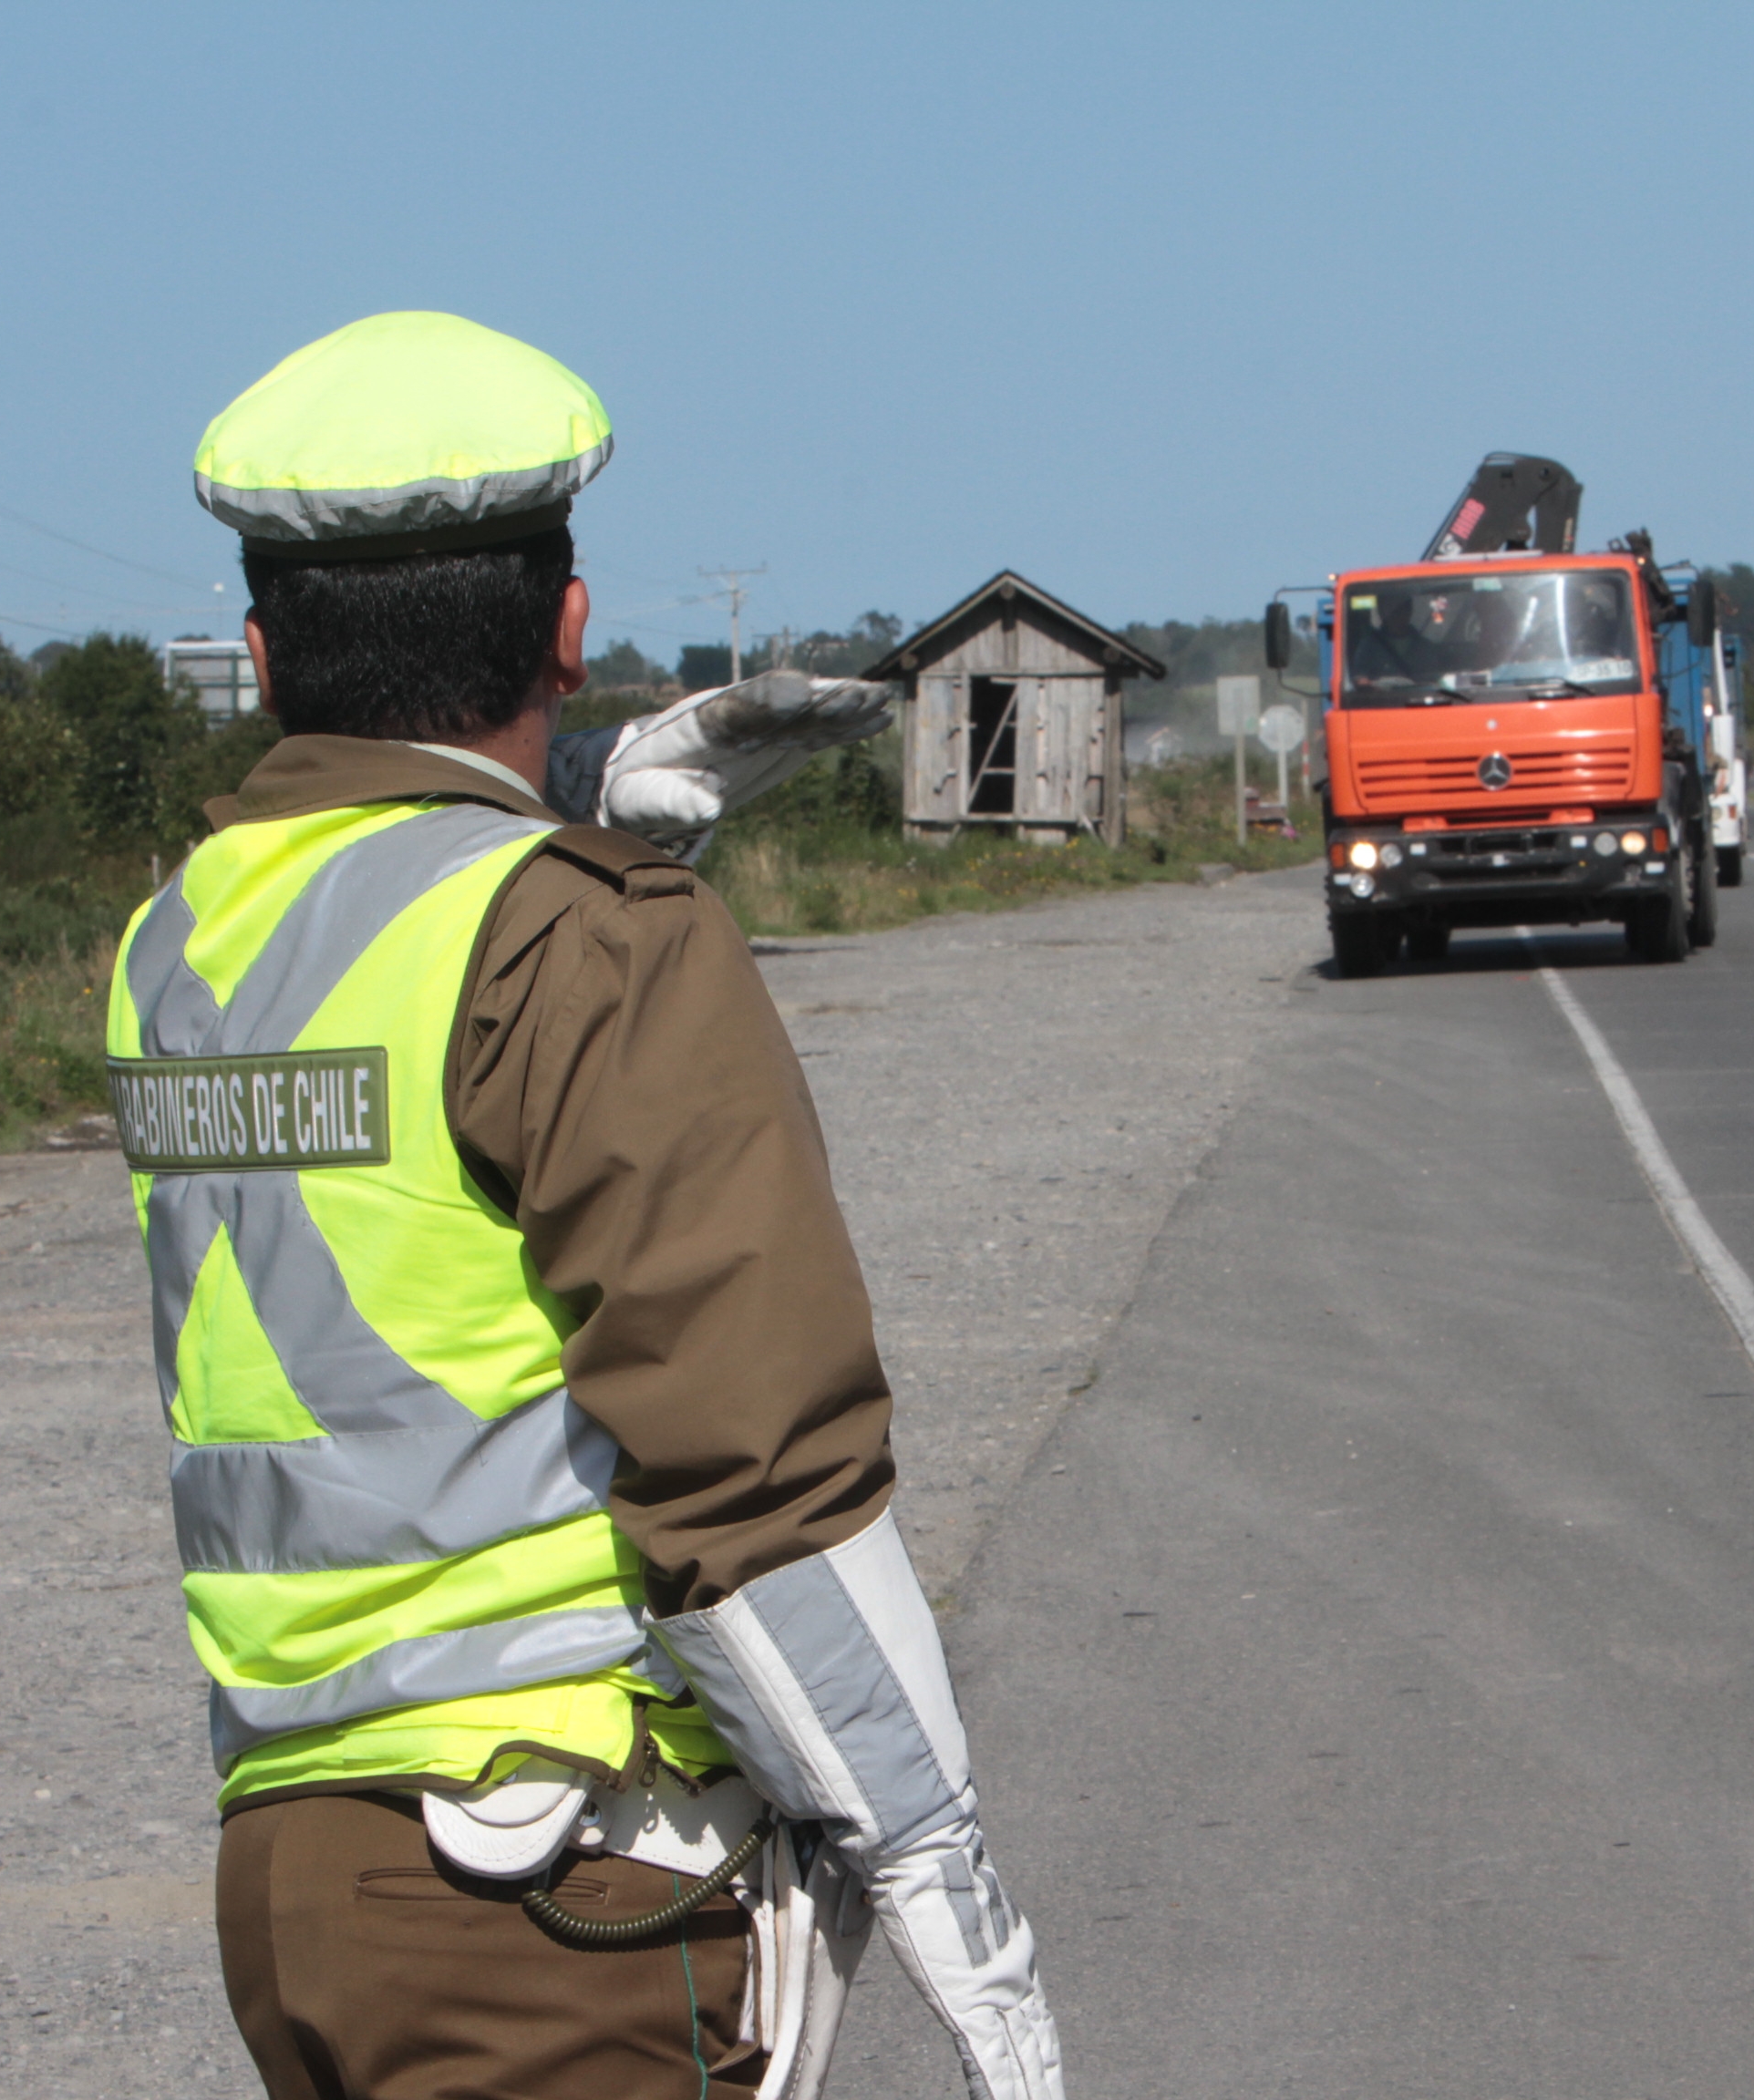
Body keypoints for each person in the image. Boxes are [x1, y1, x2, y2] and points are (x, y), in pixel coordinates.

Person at [107, 311, 1061, 2100]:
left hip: (298, 1878)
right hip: (551, 1899)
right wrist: (931, 1851)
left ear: (256, 651)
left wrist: (571, 791)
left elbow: (362, 876)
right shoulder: (588, 941)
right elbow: (750, 1480)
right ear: (569, 619)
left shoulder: (182, 941)